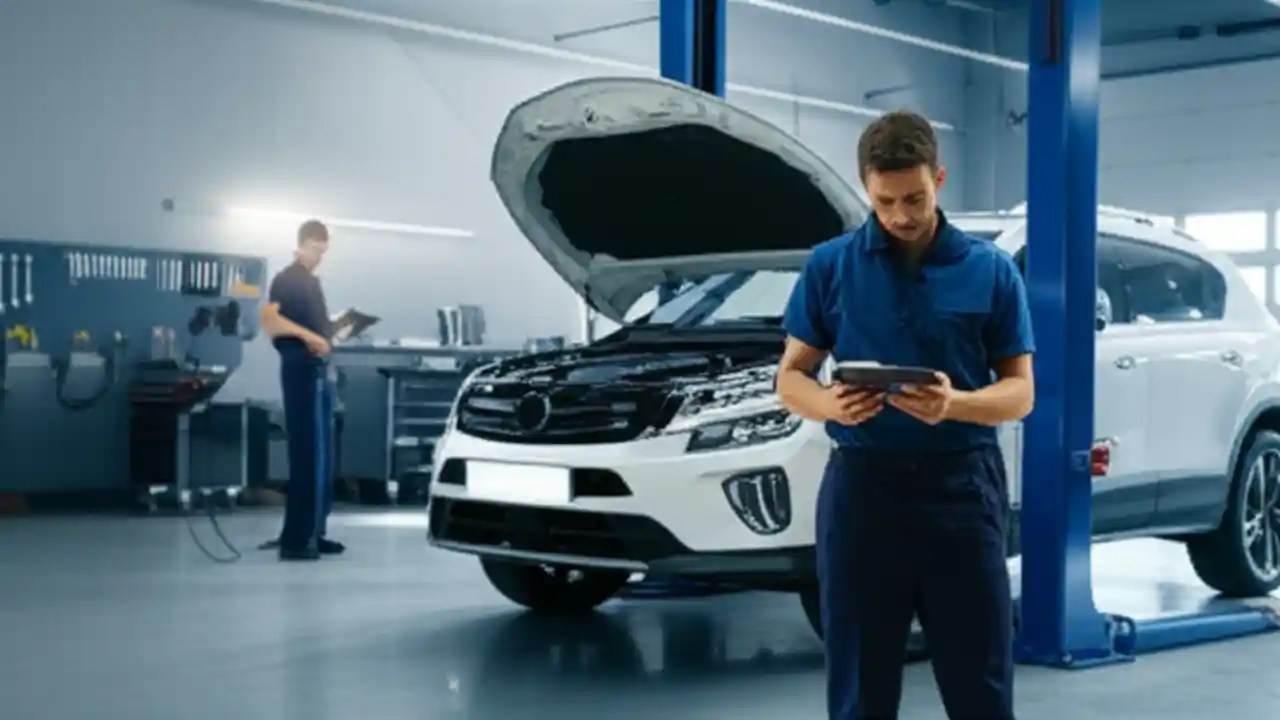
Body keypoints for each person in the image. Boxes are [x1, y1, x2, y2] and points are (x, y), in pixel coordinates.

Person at [777, 111, 1035, 719]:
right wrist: (828, 402)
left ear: (939, 178)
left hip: (962, 487)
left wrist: (957, 404)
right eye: (885, 201)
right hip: (863, 490)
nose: (901, 215)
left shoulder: (991, 270)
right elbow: (790, 377)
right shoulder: (829, 266)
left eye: (914, 197)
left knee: (981, 685)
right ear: (867, 188)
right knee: (860, 689)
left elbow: (1020, 393)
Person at [259, 219, 344, 561]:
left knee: (321, 456)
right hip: (301, 372)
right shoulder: (288, 278)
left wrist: (332, 331)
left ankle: (314, 530)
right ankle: (297, 538)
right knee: (308, 454)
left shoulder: (310, 282)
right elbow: (270, 321)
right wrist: (310, 337)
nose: (321, 257)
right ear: (307, 243)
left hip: (316, 371)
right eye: (319, 250)